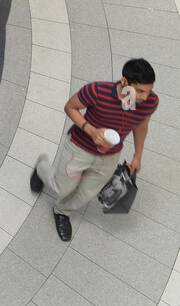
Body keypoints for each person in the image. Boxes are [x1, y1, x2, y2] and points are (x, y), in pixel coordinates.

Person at [31, 59, 158, 242]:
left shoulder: (150, 102)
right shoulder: (97, 91)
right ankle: (41, 167)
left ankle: (61, 211)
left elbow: (141, 126)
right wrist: (92, 131)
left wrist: (137, 156)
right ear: (124, 82)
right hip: (79, 148)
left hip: (110, 155)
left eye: (148, 91)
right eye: (139, 91)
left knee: (86, 193)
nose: (145, 97)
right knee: (60, 187)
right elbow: (70, 107)